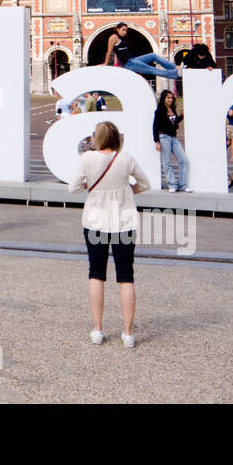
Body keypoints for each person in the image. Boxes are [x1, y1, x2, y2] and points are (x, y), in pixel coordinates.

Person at [69, 121, 151, 348]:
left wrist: (92, 185)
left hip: (95, 222)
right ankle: (128, 333)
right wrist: (128, 189)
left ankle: (97, 329)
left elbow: (73, 188)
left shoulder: (87, 158)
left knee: (96, 273)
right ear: (116, 138)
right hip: (124, 222)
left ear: (98, 138)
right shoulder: (126, 159)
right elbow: (145, 184)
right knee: (126, 275)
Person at [104, 23, 180, 81]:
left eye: (126, 30)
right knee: (152, 69)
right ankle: (174, 74)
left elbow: (119, 53)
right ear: (117, 29)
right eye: (123, 30)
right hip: (128, 64)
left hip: (133, 59)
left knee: (153, 55)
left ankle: (174, 67)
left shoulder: (122, 38)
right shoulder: (113, 37)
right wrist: (106, 63)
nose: (125, 32)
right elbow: (109, 51)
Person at [153, 89, 189, 192]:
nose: (170, 99)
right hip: (164, 137)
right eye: (168, 98)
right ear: (163, 98)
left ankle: (182, 185)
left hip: (173, 138)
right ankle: (172, 185)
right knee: (167, 162)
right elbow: (155, 127)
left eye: (171, 97)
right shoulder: (159, 111)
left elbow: (174, 122)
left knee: (184, 160)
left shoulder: (172, 108)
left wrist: (181, 116)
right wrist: (157, 141)